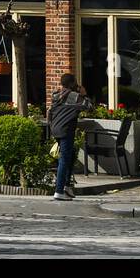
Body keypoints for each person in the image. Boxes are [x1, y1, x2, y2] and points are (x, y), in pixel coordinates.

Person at [49, 73, 93, 201]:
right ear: (73, 84)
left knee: (71, 154)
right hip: (66, 130)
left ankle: (67, 186)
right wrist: (83, 94)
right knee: (64, 158)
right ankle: (59, 191)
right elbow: (90, 107)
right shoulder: (74, 97)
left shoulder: (56, 95)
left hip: (55, 128)